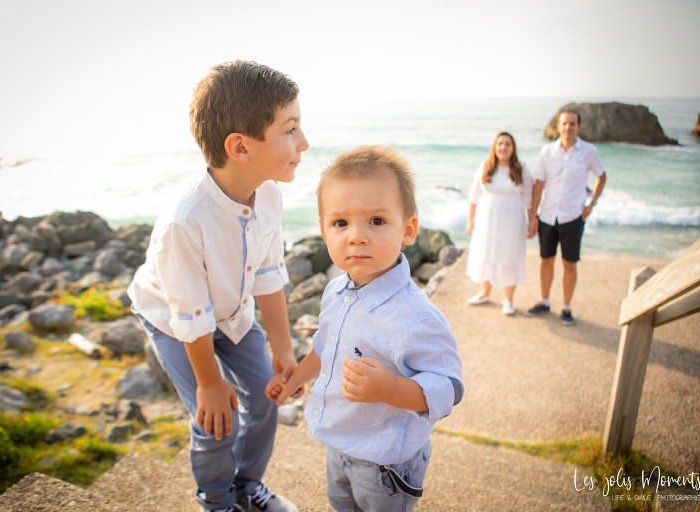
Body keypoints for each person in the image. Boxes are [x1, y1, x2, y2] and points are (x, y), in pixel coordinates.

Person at [127, 60, 309, 512]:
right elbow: (189, 315)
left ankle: (246, 488)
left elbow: (267, 274)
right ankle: (216, 501)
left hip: (233, 311)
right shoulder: (184, 222)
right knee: (215, 420)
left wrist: (283, 350)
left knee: (267, 395)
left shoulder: (269, 193)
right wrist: (209, 382)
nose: (303, 143)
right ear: (240, 147)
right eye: (290, 130)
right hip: (176, 321)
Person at [267, 146, 464, 512]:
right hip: (340, 443)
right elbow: (326, 345)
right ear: (325, 232)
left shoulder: (415, 317)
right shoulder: (335, 291)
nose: (356, 236)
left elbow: (448, 387)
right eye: (341, 223)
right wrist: (299, 377)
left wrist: (391, 388)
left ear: (408, 230)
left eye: (376, 220)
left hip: (386, 460)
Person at [527, 109, 607, 325]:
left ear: (579, 127)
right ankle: (544, 301)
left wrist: (591, 205)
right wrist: (533, 215)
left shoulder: (588, 151)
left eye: (572, 124)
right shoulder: (547, 152)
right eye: (564, 124)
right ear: (558, 126)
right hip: (547, 216)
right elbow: (539, 185)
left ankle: (566, 307)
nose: (568, 128)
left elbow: (601, 176)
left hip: (573, 217)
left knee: (569, 264)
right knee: (546, 261)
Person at [466, 132, 534, 315]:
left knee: (510, 257)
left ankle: (508, 300)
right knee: (485, 253)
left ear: (513, 148)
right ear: (494, 147)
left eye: (508, 144)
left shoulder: (522, 169)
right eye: (500, 144)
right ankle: (485, 293)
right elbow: (474, 196)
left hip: (512, 222)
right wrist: (470, 219)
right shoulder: (485, 167)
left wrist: (532, 220)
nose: (503, 148)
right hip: (486, 220)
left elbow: (528, 198)